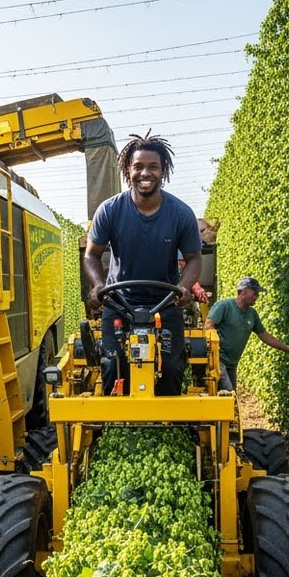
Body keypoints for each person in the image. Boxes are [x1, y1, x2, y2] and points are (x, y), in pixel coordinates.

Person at [83, 132, 201, 395]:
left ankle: (168, 423)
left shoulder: (180, 213)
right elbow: (91, 255)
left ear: (163, 171)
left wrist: (183, 287)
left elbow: (194, 259)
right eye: (138, 166)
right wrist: (99, 285)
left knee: (172, 367)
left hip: (165, 303)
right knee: (113, 367)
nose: (145, 173)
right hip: (119, 303)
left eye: (153, 167)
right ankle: (116, 424)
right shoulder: (110, 210)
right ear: (127, 170)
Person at [204, 276, 289, 391]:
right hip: (218, 360)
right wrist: (214, 345)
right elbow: (209, 325)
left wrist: (286, 348)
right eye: (255, 293)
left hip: (232, 363)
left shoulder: (252, 314)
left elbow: (264, 335)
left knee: (231, 398)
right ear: (242, 292)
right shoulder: (224, 306)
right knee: (228, 393)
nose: (257, 296)